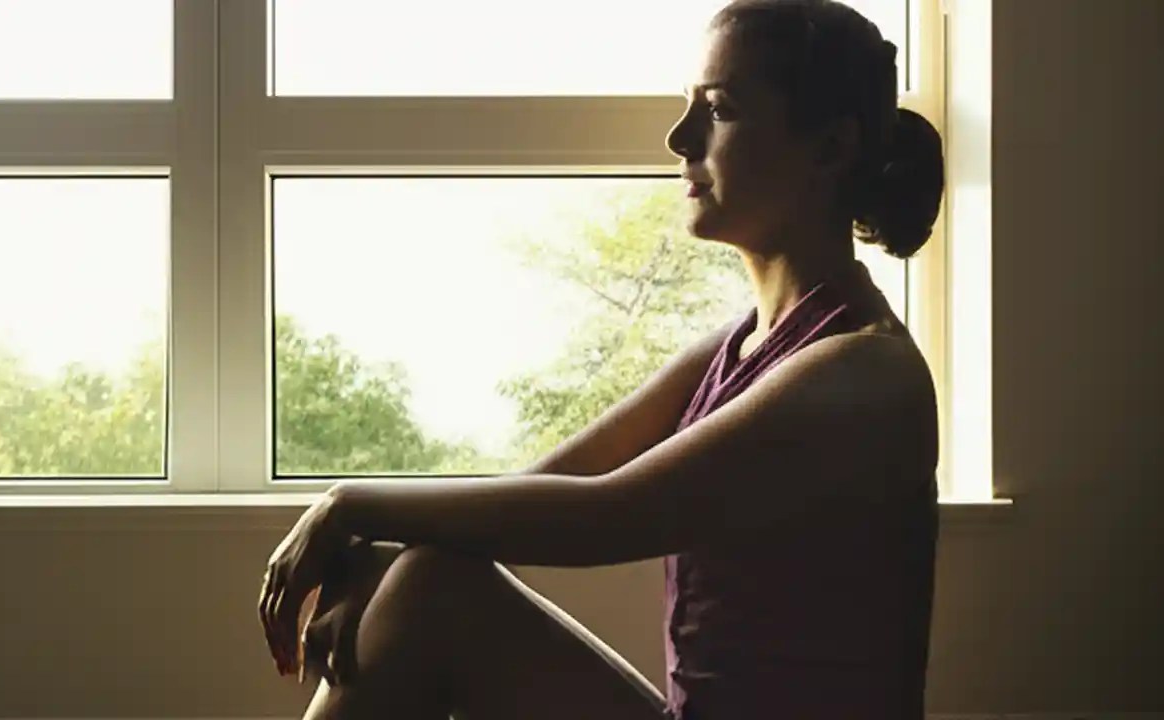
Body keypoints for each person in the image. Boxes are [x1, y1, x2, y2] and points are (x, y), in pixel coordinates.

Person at [258, 0, 945, 717]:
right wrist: (374, 561)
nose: (680, 138)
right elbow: (547, 485)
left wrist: (347, 506)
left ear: (830, 148)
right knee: (428, 580)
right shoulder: (744, 344)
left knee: (432, 588)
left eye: (721, 109)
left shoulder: (863, 372)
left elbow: (604, 513)